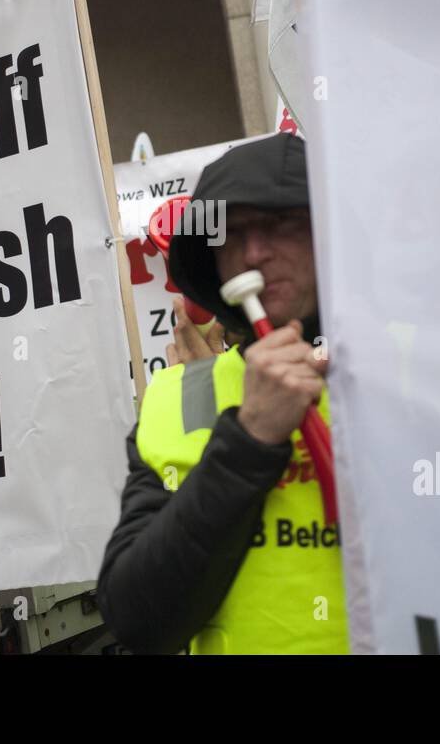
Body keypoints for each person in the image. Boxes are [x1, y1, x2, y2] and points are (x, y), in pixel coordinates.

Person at [97, 133, 346, 654]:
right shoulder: (171, 400)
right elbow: (138, 621)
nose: (255, 251)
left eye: (281, 224)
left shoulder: (413, 370)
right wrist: (249, 439)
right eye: (233, 233)